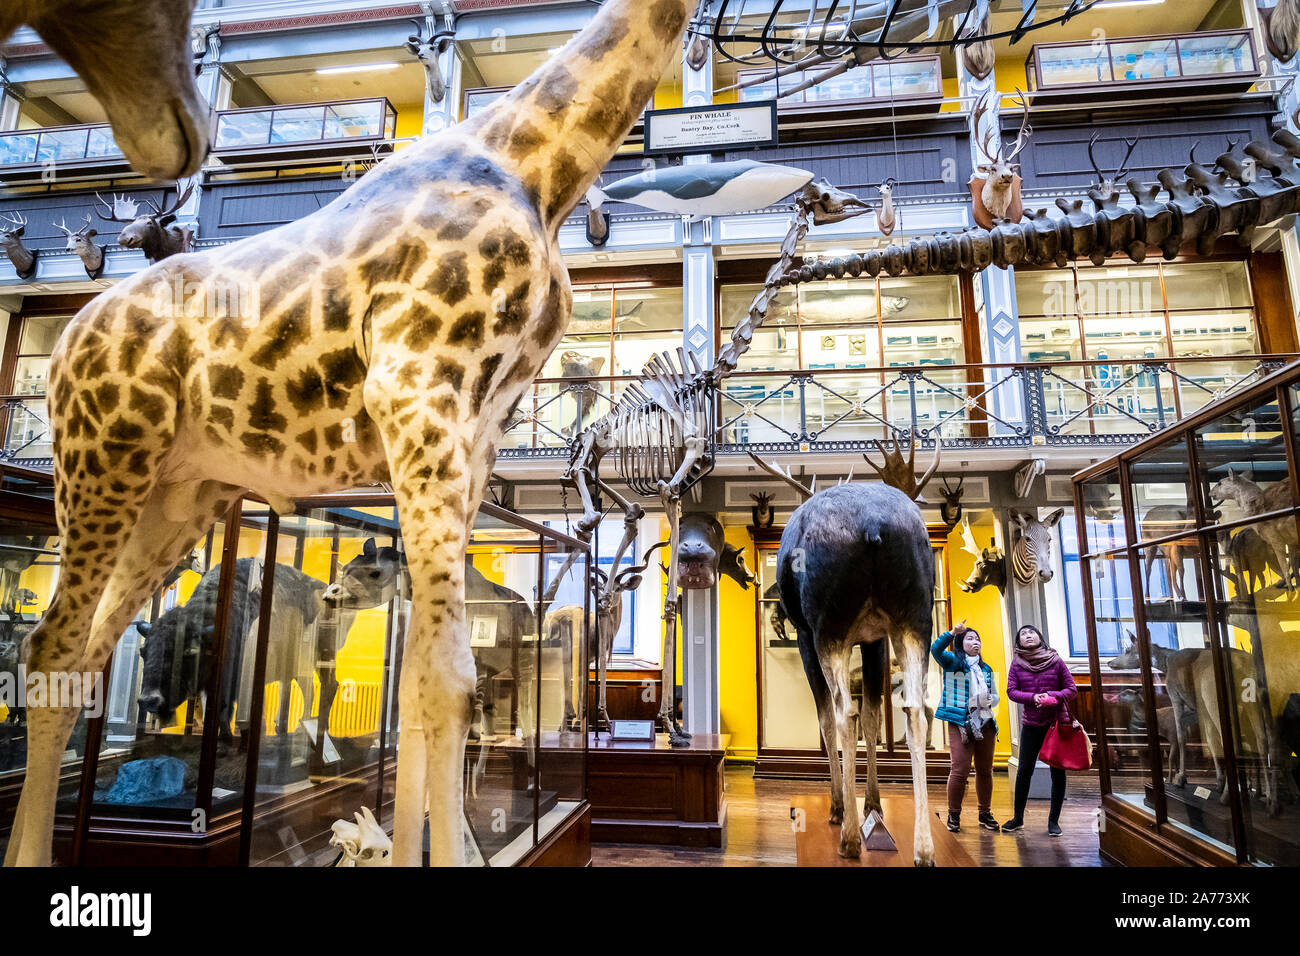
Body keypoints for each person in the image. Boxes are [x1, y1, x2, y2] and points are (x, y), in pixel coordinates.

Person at [1003, 624, 1077, 837]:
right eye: (1023, 634)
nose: (1028, 636)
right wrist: (1033, 698)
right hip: (1031, 725)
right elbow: (1012, 691)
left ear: (1040, 637)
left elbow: (1071, 689)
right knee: (1024, 770)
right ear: (1019, 642)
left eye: (1031, 632)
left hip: (1055, 724)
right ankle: (1018, 819)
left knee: (1057, 772)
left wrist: (1051, 696)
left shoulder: (1055, 660)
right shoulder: (1017, 664)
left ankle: (1053, 821)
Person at [931, 621, 999, 833]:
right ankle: (954, 814)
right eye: (970, 638)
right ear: (961, 643)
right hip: (960, 722)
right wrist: (952, 633)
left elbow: (995, 697)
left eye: (977, 638)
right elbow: (935, 649)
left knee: (985, 770)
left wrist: (989, 699)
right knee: (959, 770)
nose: (975, 641)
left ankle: (984, 813)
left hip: (985, 722)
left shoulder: (985, 668)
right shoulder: (953, 662)